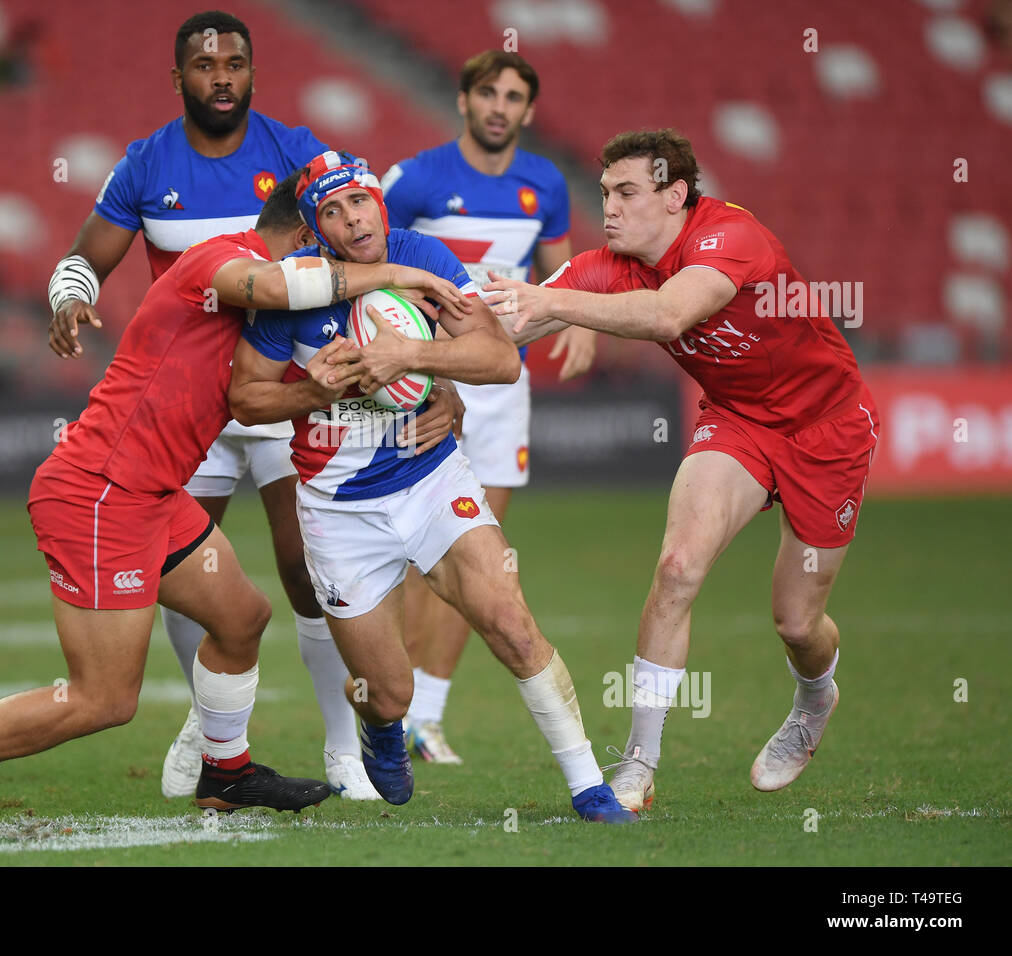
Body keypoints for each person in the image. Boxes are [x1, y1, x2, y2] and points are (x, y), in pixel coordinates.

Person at [0, 172, 469, 831]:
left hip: (151, 493)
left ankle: (226, 772)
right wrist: (399, 274)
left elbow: (280, 391)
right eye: (330, 233)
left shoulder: (285, 318)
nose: (344, 245)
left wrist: (434, 386)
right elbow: (275, 286)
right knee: (105, 698)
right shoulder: (226, 258)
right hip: (99, 490)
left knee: (241, 618)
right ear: (308, 235)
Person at [228, 152, 635, 823]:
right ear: (314, 229)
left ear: (378, 203)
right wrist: (314, 389)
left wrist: (413, 356)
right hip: (338, 510)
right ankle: (383, 729)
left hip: (431, 478)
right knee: (388, 692)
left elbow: (501, 358)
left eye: (359, 201)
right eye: (331, 211)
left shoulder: (427, 257)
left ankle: (590, 785)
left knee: (510, 621)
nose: (352, 219)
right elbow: (244, 399)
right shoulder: (293, 288)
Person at [485, 128, 879, 814]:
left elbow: (670, 316)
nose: (608, 207)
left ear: (674, 197)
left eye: (627, 193)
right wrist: (402, 334)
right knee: (676, 569)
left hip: (827, 429)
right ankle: (639, 764)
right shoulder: (611, 263)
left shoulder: (729, 235)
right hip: (738, 421)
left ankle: (815, 698)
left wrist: (551, 303)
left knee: (795, 623)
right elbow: (509, 319)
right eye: (605, 192)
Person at [47, 11, 380, 800]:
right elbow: (84, 255)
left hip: (278, 392)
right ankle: (210, 730)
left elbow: (364, 224)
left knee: (307, 569)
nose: (221, 76)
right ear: (179, 79)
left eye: (236, 62)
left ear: (253, 73)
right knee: (180, 573)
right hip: (186, 412)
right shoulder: (144, 163)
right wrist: (69, 297)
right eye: (205, 65)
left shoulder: (298, 154)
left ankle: (342, 749)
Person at [380, 49, 597, 764]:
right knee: (422, 553)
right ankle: (395, 705)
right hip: (423, 381)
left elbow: (565, 274)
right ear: (465, 102)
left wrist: (584, 324)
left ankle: (427, 719)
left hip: (505, 386)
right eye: (488, 93)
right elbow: (375, 269)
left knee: (484, 556)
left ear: (529, 111)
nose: (500, 106)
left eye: (513, 96)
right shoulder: (414, 180)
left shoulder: (546, 185)